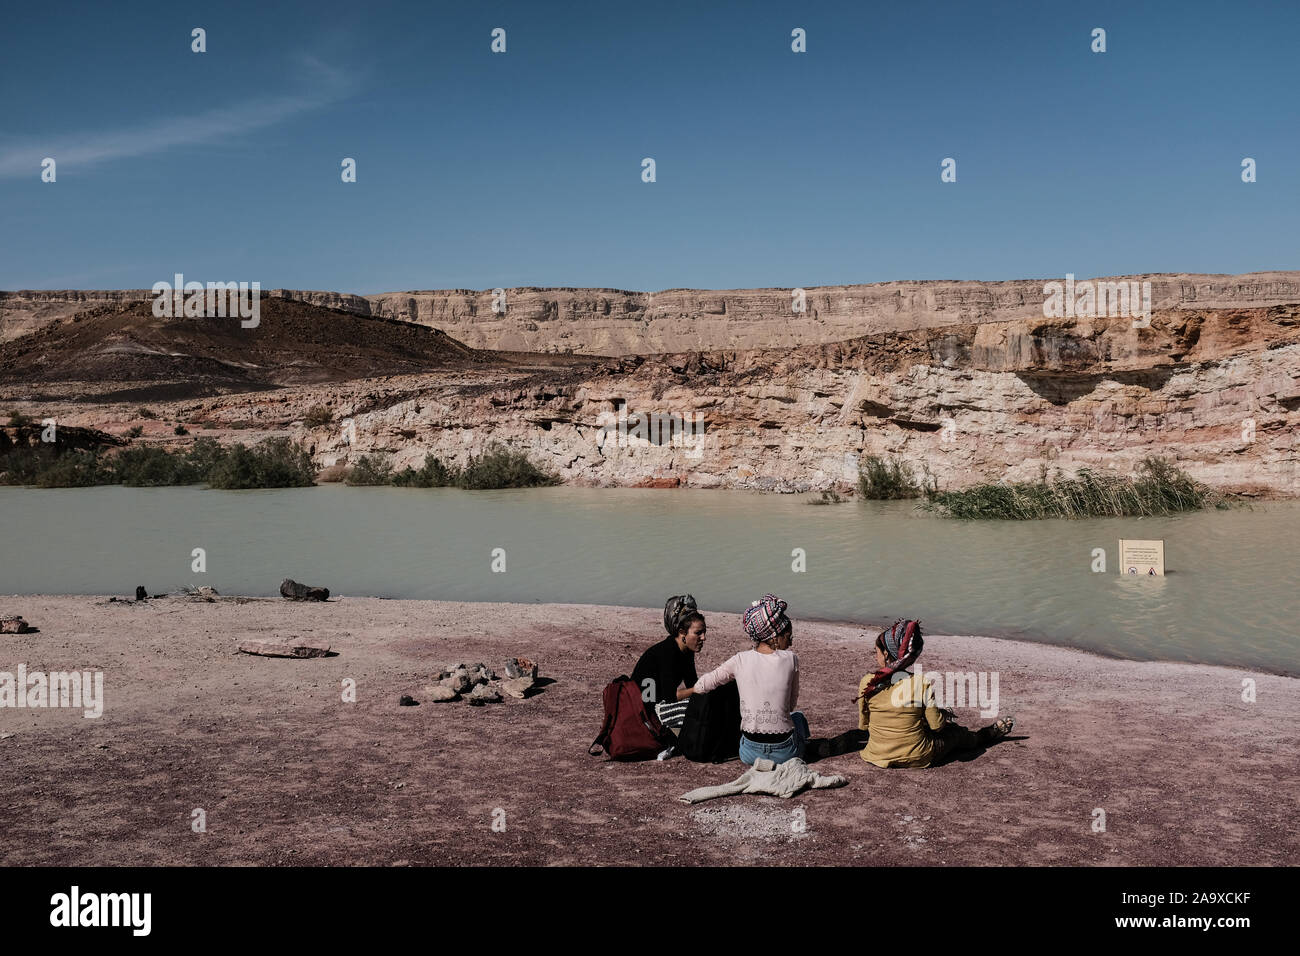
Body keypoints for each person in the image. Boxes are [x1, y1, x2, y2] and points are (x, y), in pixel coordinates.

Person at [856, 622, 1013, 768]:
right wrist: (942, 715)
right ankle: (983, 736)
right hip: (917, 756)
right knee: (956, 733)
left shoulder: (867, 683)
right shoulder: (919, 682)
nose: (875, 655)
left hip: (876, 754)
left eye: (875, 651)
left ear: (885, 654)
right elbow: (937, 726)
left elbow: (864, 725)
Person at [685, 593, 808, 766]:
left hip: (749, 753)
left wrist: (683, 693)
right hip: (784, 753)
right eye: (788, 637)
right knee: (799, 718)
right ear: (774, 637)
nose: (791, 642)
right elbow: (790, 706)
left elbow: (703, 684)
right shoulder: (791, 659)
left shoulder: (739, 660)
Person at [631, 595, 707, 733]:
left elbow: (692, 684)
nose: (703, 637)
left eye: (704, 632)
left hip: (658, 705)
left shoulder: (685, 651)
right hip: (644, 713)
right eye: (698, 633)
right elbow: (670, 697)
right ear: (682, 633)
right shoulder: (667, 653)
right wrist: (700, 689)